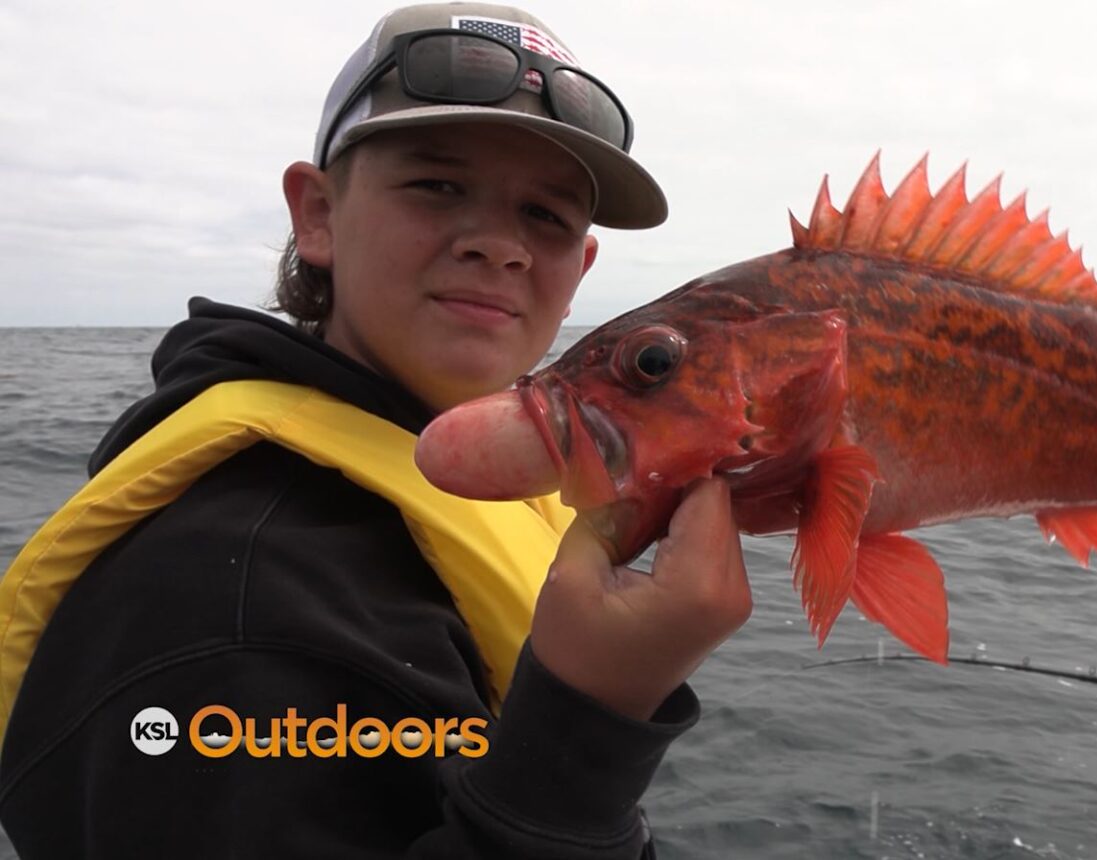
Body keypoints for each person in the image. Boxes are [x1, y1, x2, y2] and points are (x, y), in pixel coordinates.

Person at [0, 3, 752, 857]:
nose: (501, 247)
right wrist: (591, 721)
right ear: (315, 215)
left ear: (578, 271)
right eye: (437, 185)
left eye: (546, 216)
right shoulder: (230, 604)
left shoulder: (440, 468)